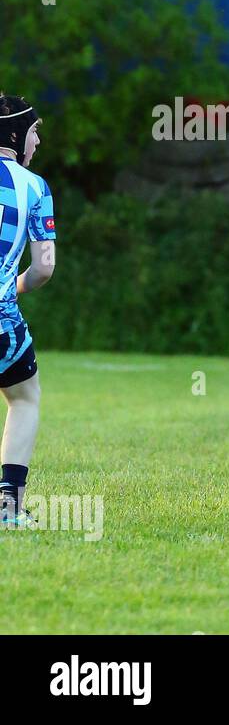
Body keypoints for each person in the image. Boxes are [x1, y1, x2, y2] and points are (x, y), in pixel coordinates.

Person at [0, 95, 57, 528]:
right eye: (35, 132)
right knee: (24, 398)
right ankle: (9, 508)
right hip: (2, 319)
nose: (37, 143)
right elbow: (43, 268)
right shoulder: (34, 187)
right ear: (16, 135)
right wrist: (12, 288)